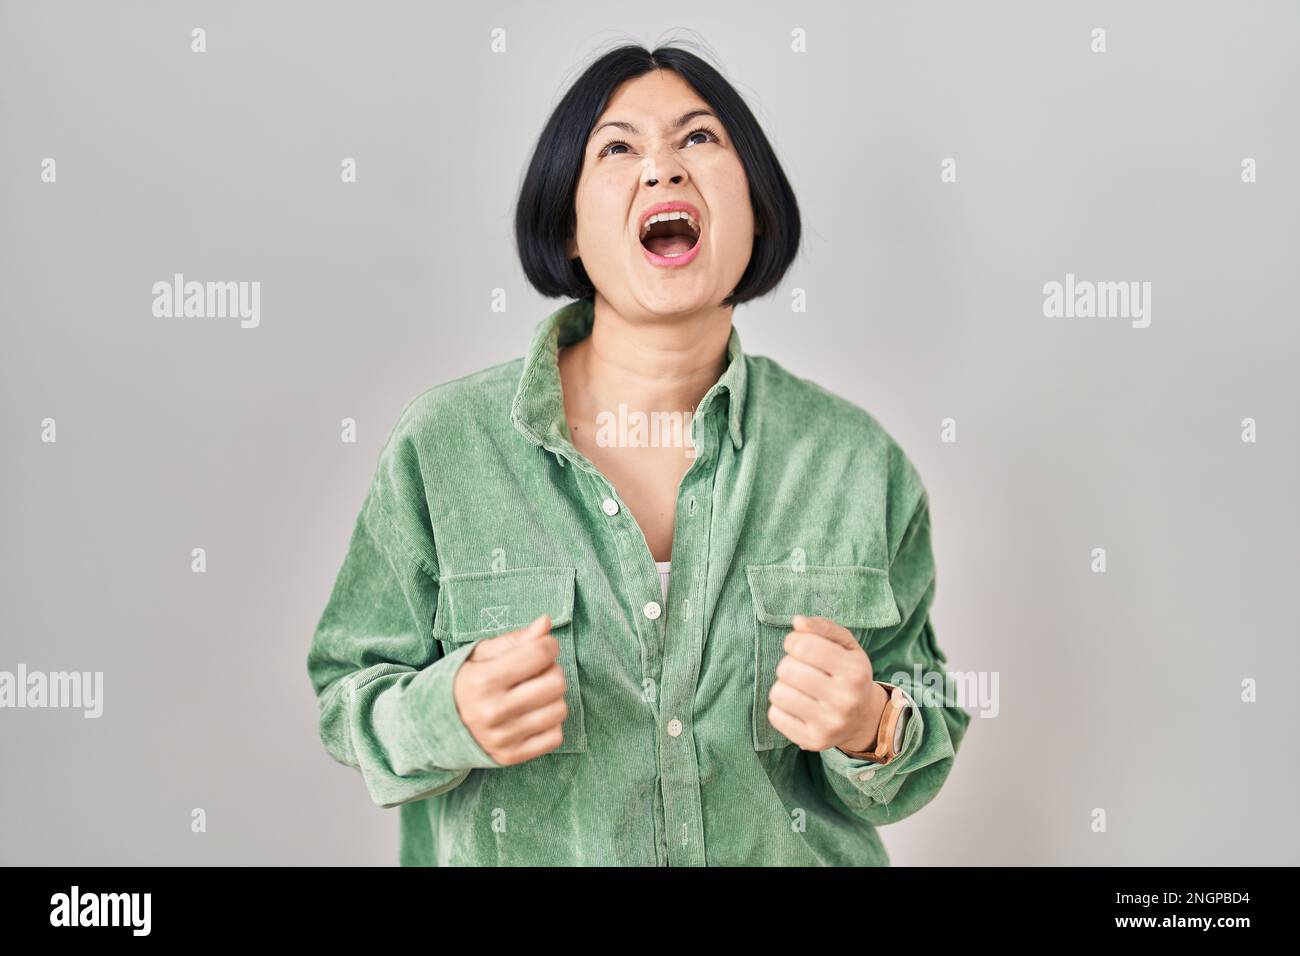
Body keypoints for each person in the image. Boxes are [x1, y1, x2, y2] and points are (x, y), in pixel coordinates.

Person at [306, 42, 970, 866]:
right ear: (570, 229)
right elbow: (345, 694)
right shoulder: (445, 446)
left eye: (699, 139)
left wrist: (873, 724)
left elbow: (927, 710)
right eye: (618, 148)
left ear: (757, 208)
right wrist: (447, 714)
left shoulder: (855, 462)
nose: (663, 169)